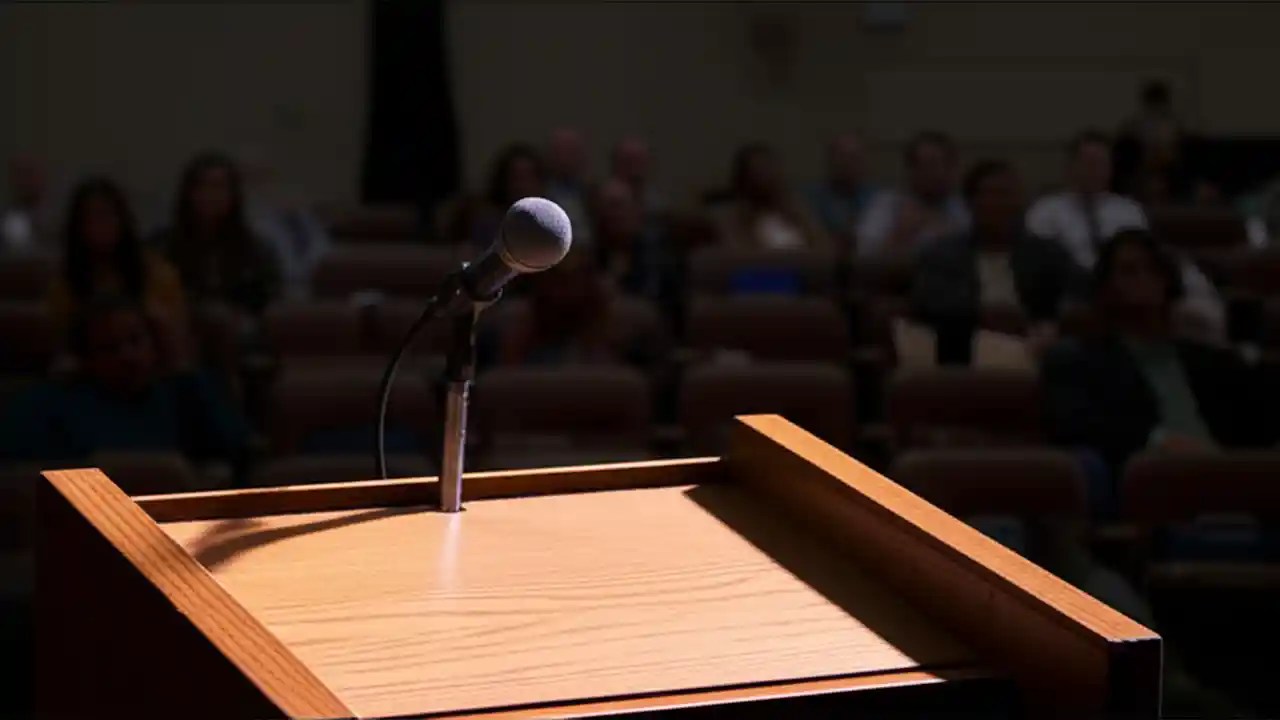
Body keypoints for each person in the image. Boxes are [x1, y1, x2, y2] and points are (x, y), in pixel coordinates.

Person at [1041, 229, 1271, 473]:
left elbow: (1257, 431)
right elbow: (1077, 427)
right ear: (1105, 287)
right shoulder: (1077, 360)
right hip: (1149, 485)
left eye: (1153, 270)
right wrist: (1159, 442)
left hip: (1231, 479)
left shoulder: (1215, 360)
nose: (1144, 278)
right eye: (1129, 271)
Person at [0, 299, 249, 479]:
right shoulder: (49, 404)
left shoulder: (184, 391)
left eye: (136, 341)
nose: (128, 356)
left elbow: (239, 453)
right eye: (110, 348)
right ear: (85, 360)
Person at [1027, 131, 1225, 340]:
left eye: (1101, 163)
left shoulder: (1129, 209)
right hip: (1074, 289)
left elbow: (1147, 253)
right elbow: (1041, 266)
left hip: (1132, 283)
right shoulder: (1045, 210)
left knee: (1194, 290)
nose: (1094, 170)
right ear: (1070, 167)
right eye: (1088, 162)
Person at [911, 161, 1086, 364]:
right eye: (992, 194)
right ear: (971, 202)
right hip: (965, 348)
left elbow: (1078, 291)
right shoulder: (943, 254)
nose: (1001, 203)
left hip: (1037, 347)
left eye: (1008, 194)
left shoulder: (1046, 252)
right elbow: (926, 302)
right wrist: (980, 316)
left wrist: (1054, 325)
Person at [47, 177, 190, 360]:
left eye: (107, 215)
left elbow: (177, 340)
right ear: (77, 227)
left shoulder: (157, 272)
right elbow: (60, 340)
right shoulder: (64, 279)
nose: (100, 225)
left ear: (123, 220)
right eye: (90, 218)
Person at [154, 152, 280, 315]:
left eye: (219, 187)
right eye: (202, 186)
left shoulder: (258, 250)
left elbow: (273, 304)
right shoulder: (162, 247)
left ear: (234, 196)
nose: (210, 195)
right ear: (188, 193)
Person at [237, 146, 332, 300]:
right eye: (248, 176)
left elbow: (323, 254)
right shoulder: (247, 218)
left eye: (263, 175)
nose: (258, 183)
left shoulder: (301, 216)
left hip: (313, 293)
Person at [856, 131, 968, 259]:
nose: (940, 172)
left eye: (947, 164)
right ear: (911, 170)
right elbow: (864, 259)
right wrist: (901, 234)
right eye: (931, 165)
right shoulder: (886, 205)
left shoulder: (964, 208)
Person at [714, 143, 828, 251]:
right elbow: (741, 257)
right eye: (760, 170)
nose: (771, 175)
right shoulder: (733, 218)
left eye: (773, 167)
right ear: (745, 179)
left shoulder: (797, 209)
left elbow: (824, 248)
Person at [450, 144, 547, 250]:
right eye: (516, 178)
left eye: (528, 178)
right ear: (503, 180)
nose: (522, 186)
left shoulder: (550, 222)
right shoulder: (485, 219)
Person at [591, 178, 670, 305]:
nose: (611, 214)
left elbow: (653, 292)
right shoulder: (592, 251)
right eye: (604, 206)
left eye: (617, 205)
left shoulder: (656, 248)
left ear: (636, 209)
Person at [806, 133, 877, 243]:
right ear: (830, 161)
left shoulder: (876, 198)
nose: (849, 164)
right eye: (843, 157)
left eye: (855, 158)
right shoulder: (811, 198)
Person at [545, 127, 593, 246]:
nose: (565, 158)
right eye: (560, 152)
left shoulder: (592, 195)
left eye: (571, 152)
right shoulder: (539, 194)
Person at [1, 155, 53, 255]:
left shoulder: (50, 212)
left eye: (36, 174)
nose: (32, 181)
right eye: (26, 175)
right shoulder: (13, 221)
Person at [610, 136, 666, 219]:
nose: (634, 170)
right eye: (628, 162)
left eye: (639, 162)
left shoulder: (655, 203)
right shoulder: (608, 203)